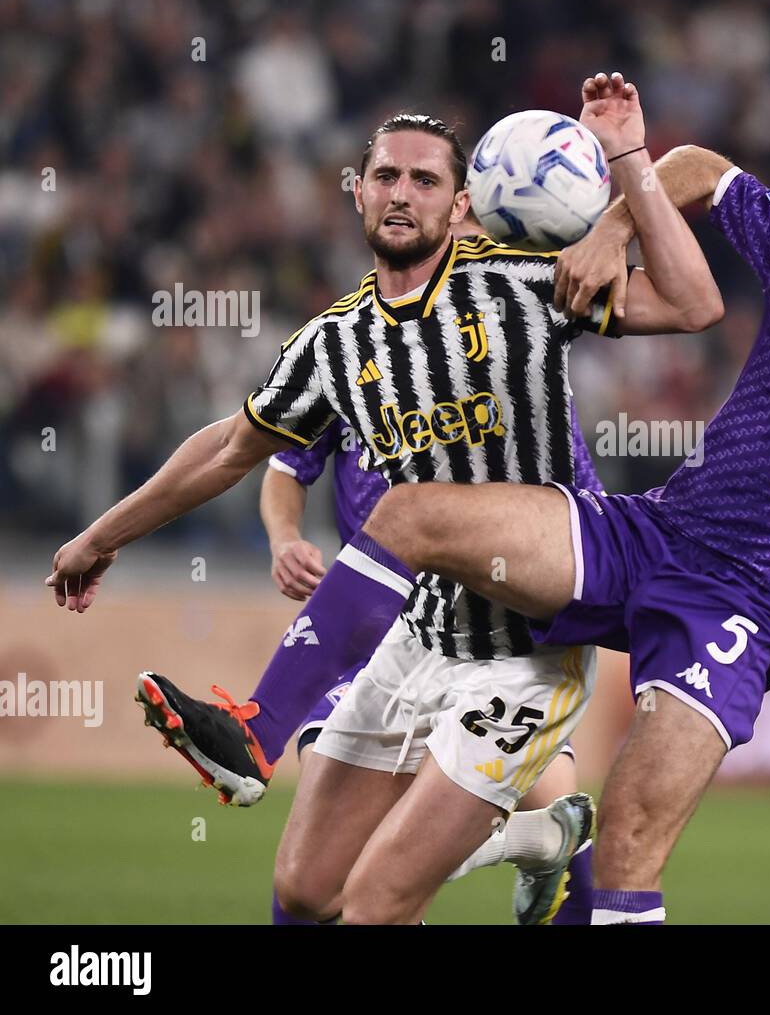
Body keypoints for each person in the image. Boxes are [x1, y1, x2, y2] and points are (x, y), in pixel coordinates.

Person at [47, 72, 724, 924]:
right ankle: (544, 841)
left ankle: (257, 729)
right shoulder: (333, 341)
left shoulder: (522, 283)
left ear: (463, 204)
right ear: (357, 191)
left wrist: (625, 190)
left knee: (375, 905)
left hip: (523, 652)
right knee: (302, 891)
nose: (402, 193)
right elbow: (229, 448)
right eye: (385, 176)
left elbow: (698, 302)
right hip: (419, 638)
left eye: (425, 179)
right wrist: (102, 535)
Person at [260, 385, 606, 924]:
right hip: (375, 632)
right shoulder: (349, 357)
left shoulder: (515, 369)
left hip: (497, 644)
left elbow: (588, 515)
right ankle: (536, 839)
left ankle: (545, 842)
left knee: (549, 819)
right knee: (311, 883)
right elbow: (281, 464)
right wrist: (284, 539)